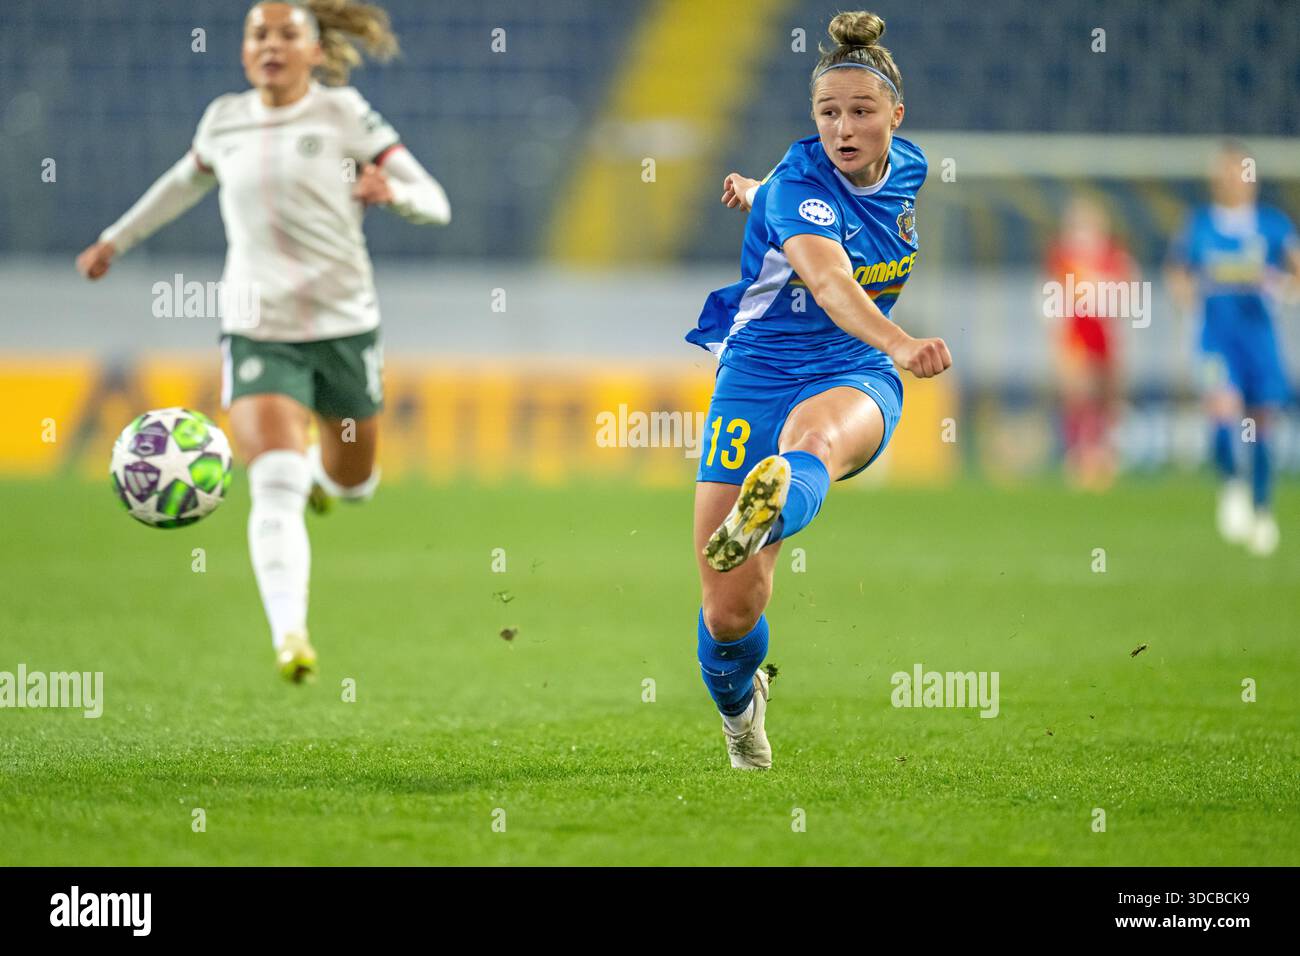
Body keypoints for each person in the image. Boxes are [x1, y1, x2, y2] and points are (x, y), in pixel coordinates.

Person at [76, 0, 452, 680]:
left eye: (287, 34)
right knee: (272, 482)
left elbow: (436, 201)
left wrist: (390, 192)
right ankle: (291, 635)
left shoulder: (346, 115)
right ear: (244, 51)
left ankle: (321, 474)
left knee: (356, 482)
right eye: (258, 34)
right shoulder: (224, 120)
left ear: (314, 51)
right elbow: (178, 186)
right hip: (257, 328)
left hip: (345, 328)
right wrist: (114, 240)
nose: (270, 44)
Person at [685, 10, 951, 770]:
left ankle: (773, 495)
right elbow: (831, 280)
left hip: (852, 370)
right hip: (758, 374)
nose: (844, 128)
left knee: (817, 441)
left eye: (862, 112)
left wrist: (755, 184)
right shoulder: (798, 191)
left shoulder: (912, 167)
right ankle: (741, 712)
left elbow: (809, 194)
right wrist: (902, 341)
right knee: (729, 608)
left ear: (896, 116)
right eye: (828, 114)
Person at [1166, 141, 1300, 556]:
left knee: (1261, 424)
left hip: (1260, 342)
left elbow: (1295, 271)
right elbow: (1178, 273)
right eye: (1224, 172)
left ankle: (1262, 511)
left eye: (1238, 171)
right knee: (1222, 410)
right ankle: (1232, 483)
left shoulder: (1273, 226)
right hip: (1215, 341)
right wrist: (1187, 299)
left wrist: (1284, 291)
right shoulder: (1201, 225)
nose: (1231, 179)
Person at [1044, 197, 1136, 491]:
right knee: (1078, 396)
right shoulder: (1062, 257)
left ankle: (1104, 455)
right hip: (1075, 337)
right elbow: (1050, 299)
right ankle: (1079, 458)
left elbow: (1127, 292)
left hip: (1105, 337)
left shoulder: (1114, 255)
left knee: (1105, 399)